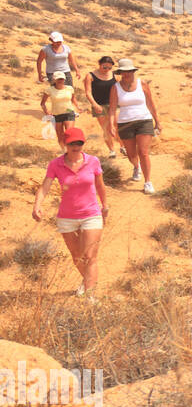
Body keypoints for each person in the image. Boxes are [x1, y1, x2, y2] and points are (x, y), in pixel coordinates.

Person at [32, 127, 107, 303]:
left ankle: (90, 294)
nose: (76, 146)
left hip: (91, 214)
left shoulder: (93, 161)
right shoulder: (55, 164)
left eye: (79, 143)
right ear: (65, 144)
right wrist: (37, 205)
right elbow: (45, 187)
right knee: (76, 256)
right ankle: (88, 280)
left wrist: (105, 205)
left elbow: (100, 186)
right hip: (66, 217)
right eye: (72, 143)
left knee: (90, 256)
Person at [107, 58, 162, 195]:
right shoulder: (115, 88)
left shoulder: (142, 84)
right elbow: (112, 108)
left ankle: (148, 182)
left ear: (133, 71)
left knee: (143, 152)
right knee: (131, 154)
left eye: (129, 72)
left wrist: (157, 121)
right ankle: (136, 166)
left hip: (144, 120)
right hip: (125, 123)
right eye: (123, 72)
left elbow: (150, 103)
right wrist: (111, 125)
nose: (126, 74)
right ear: (120, 73)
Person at [84, 55, 124, 158]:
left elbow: (121, 89)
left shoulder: (115, 75)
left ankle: (123, 146)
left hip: (114, 105)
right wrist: (95, 105)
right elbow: (88, 93)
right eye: (104, 67)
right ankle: (112, 151)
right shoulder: (90, 76)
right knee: (106, 128)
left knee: (117, 126)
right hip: (99, 105)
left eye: (109, 68)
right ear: (99, 64)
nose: (107, 70)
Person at [40, 71, 80, 146]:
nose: (60, 81)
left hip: (69, 112)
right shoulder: (49, 90)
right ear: (54, 80)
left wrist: (77, 107)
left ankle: (69, 152)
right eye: (58, 79)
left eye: (62, 79)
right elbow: (42, 103)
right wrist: (47, 112)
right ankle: (64, 152)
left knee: (69, 133)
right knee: (60, 137)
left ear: (64, 79)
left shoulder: (69, 88)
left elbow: (73, 99)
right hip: (56, 115)